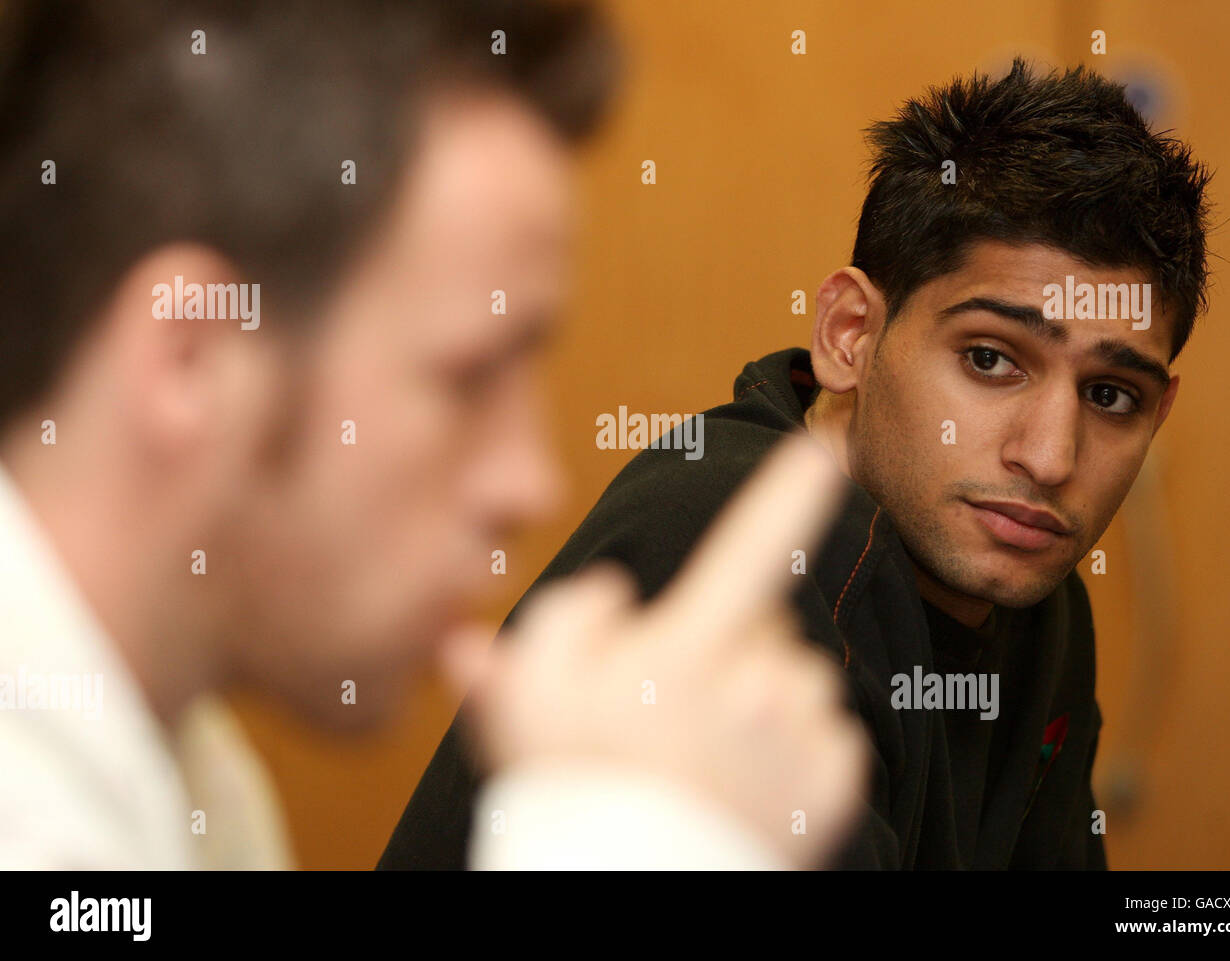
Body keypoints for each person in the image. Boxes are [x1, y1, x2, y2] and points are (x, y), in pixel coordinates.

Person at [0, 0, 870, 870]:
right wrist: (637, 842)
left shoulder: (199, 787)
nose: (531, 484)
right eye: (467, 378)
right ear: (191, 357)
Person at [381, 58, 1213, 870]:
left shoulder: (1034, 585)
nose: (1049, 455)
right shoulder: (723, 549)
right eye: (991, 360)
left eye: (1110, 396)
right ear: (850, 334)